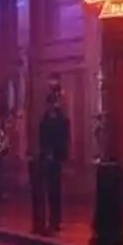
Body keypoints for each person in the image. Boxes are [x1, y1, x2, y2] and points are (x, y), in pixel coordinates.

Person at [36, 85, 69, 234]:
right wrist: (43, 152)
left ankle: (56, 219)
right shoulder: (44, 120)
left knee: (55, 190)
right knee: (46, 189)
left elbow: (65, 139)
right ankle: (46, 219)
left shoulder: (62, 120)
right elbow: (41, 138)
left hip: (56, 157)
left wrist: (59, 154)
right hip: (46, 158)